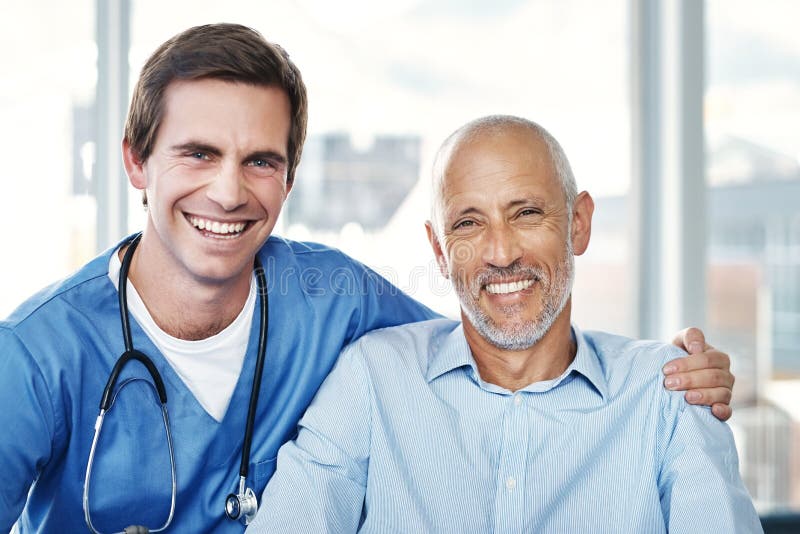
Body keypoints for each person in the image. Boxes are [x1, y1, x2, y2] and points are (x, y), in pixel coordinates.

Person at [0, 24, 733, 534]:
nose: (229, 191)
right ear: (135, 162)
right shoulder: (35, 355)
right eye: (197, 153)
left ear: (288, 177)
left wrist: (670, 370)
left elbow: (498, 328)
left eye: (261, 160)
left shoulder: (337, 301)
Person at [248, 116, 760, 533]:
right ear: (439, 250)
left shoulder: (668, 393)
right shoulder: (371, 378)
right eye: (469, 222)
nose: (500, 252)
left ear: (578, 224)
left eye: (527, 213)